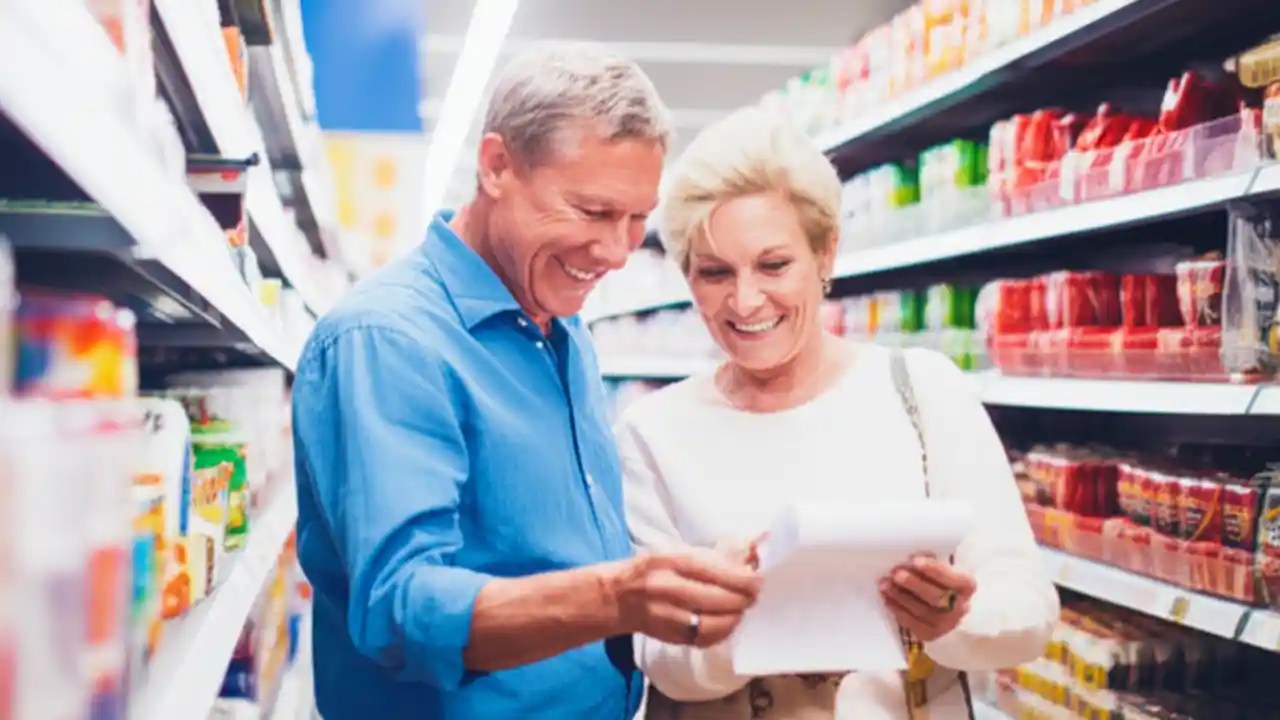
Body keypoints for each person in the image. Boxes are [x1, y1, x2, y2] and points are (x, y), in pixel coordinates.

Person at [291, 45, 761, 720]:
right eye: (593, 211)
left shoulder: (560, 330)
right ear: (496, 166)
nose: (618, 252)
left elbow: (551, 550)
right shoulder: (390, 343)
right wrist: (618, 599)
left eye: (637, 219)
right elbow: (400, 608)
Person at [614, 105, 1060, 719]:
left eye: (774, 265)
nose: (746, 300)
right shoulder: (651, 433)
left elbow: (1030, 610)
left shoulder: (921, 392)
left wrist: (956, 618)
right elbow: (656, 656)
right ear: (688, 278)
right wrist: (727, 620)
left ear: (826, 255)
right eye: (715, 273)